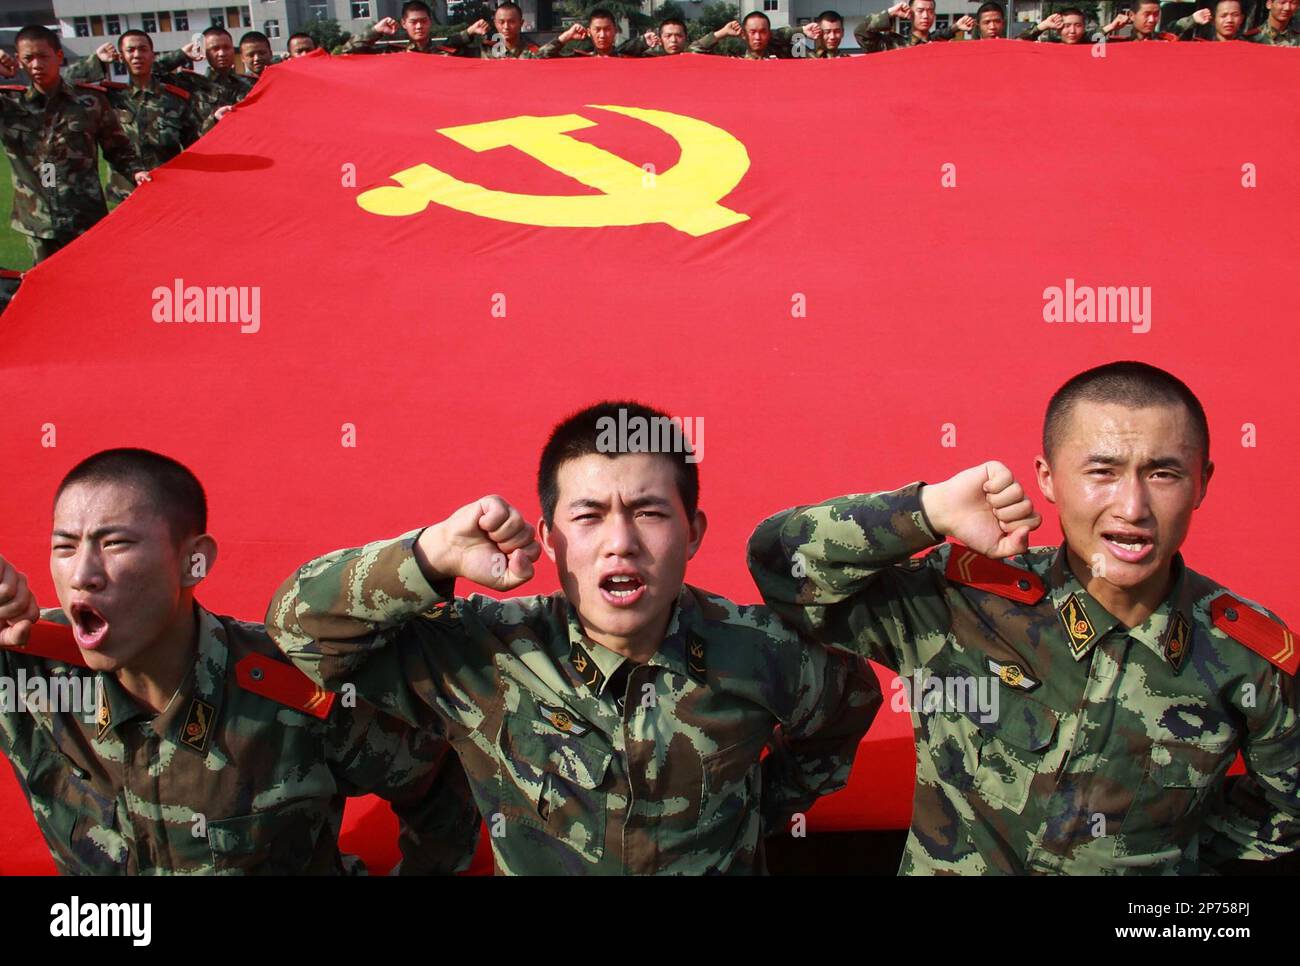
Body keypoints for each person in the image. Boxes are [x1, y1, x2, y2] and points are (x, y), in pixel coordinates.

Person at [267, 401, 880, 875]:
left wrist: (759, 811)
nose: (620, 542)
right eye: (588, 516)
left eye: (649, 512)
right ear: (549, 537)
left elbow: (846, 706)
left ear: (692, 532)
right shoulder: (484, 655)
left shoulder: (763, 651)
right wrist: (431, 556)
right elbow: (296, 630)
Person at [748, 361, 1299, 874]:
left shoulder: (1246, 657)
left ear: (1202, 482)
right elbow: (780, 565)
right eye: (1101, 471)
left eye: (1163, 474)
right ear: (1048, 478)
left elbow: (1284, 814)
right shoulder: (963, 600)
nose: (1132, 508)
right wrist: (927, 511)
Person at [0, 448, 481, 874]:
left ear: (194, 560)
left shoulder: (292, 688)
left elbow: (434, 783)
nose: (82, 574)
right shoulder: (33, 672)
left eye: (115, 544)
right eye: (64, 547)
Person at [0, 25, 147, 264]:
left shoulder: (90, 101)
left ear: (59, 56)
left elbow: (118, 148)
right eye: (28, 58)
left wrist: (136, 171)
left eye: (43, 56)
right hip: (39, 224)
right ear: (18, 60)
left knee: (94, 285)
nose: (36, 65)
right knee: (48, 293)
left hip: (85, 217)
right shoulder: (8, 105)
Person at [63, 31, 200, 205]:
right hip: (124, 196)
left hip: (168, 193)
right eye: (130, 50)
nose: (137, 55)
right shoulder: (108, 97)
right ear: (121, 57)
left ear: (153, 55)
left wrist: (178, 56)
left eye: (143, 50)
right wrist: (96, 61)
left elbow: (194, 148)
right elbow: (63, 84)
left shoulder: (175, 99)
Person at [153, 26, 255, 127]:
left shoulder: (249, 84)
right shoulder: (190, 83)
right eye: (215, 49)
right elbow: (149, 73)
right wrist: (181, 54)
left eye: (226, 47)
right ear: (204, 52)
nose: (222, 53)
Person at [689, 12, 816, 58]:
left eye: (763, 32)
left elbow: (815, 63)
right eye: (752, 32)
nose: (757, 37)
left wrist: (800, 31)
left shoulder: (783, 51)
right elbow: (693, 51)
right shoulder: (733, 56)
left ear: (770, 33)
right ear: (744, 34)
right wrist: (722, 33)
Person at [344, 1, 448, 54]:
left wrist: (465, 35)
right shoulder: (392, 54)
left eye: (423, 21)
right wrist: (376, 30)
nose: (419, 26)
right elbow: (348, 51)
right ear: (403, 23)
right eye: (413, 22)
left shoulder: (445, 55)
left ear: (430, 22)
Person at [443, 2, 543, 58]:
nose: (506, 27)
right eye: (501, 22)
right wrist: (469, 32)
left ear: (521, 23)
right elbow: (446, 48)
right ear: (495, 23)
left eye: (512, 22)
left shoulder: (533, 52)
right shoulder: (485, 51)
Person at [855, 0, 954, 52]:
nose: (925, 16)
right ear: (910, 13)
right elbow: (861, 33)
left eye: (930, 11)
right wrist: (890, 13)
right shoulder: (891, 44)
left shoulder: (941, 45)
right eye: (920, 11)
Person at [538, 8, 637, 57]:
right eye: (597, 30)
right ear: (589, 32)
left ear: (615, 31)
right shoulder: (581, 59)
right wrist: (567, 35)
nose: (602, 35)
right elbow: (540, 56)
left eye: (607, 29)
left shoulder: (627, 58)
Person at [1101, 0, 1179, 40]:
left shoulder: (1167, 41)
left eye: (1156, 14)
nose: (1152, 20)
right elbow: (1090, 43)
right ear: (1131, 15)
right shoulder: (1119, 43)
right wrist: (1110, 27)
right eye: (1147, 14)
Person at [1174, 0, 1246, 39]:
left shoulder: (1251, 45)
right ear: (1213, 20)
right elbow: (1166, 35)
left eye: (1235, 15)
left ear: (1241, 19)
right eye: (1223, 16)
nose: (1229, 20)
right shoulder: (1201, 45)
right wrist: (1192, 19)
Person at [1019, 8, 1089, 43]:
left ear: (1084, 27)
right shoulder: (1049, 48)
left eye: (1078, 25)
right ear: (1058, 29)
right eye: (1067, 26)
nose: (1072, 31)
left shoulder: (1096, 51)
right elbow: (1017, 44)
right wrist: (1044, 25)